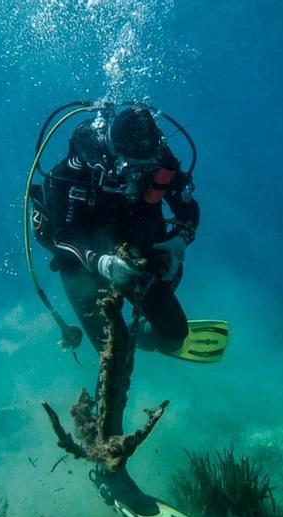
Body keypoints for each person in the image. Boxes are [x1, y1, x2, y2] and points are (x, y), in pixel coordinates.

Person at [39, 105, 200, 355]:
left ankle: (140, 332)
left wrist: (180, 240)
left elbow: (187, 209)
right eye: (133, 166)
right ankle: (124, 339)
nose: (139, 174)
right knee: (115, 354)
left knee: (174, 336)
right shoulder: (72, 172)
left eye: (147, 166)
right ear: (114, 154)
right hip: (84, 265)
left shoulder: (159, 160)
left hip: (134, 254)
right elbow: (62, 238)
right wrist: (103, 263)